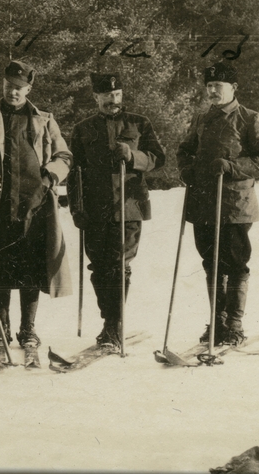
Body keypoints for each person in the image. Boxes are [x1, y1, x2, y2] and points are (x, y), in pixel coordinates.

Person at [176, 60, 259, 347]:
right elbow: (184, 150)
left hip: (235, 205)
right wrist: (186, 169)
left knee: (234, 262)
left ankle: (234, 323)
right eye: (209, 86)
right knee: (210, 263)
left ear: (233, 88)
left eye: (217, 86)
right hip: (203, 204)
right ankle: (217, 321)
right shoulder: (200, 119)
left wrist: (232, 166)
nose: (212, 91)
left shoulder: (251, 118)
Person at [69, 72, 166, 347]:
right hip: (95, 209)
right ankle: (110, 319)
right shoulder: (83, 128)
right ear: (96, 97)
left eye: (117, 95)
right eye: (107, 95)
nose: (113, 100)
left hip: (129, 205)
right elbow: (74, 171)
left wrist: (134, 156)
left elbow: (159, 157)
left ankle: (114, 324)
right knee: (99, 268)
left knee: (119, 265)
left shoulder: (139, 123)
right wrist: (77, 208)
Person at [0, 61, 71, 352]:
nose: (13, 93)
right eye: (9, 87)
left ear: (29, 89)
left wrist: (49, 176)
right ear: (2, 86)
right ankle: (1, 327)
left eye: (19, 89)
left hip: (35, 205)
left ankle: (27, 328)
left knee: (32, 267)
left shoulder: (44, 119)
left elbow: (64, 155)